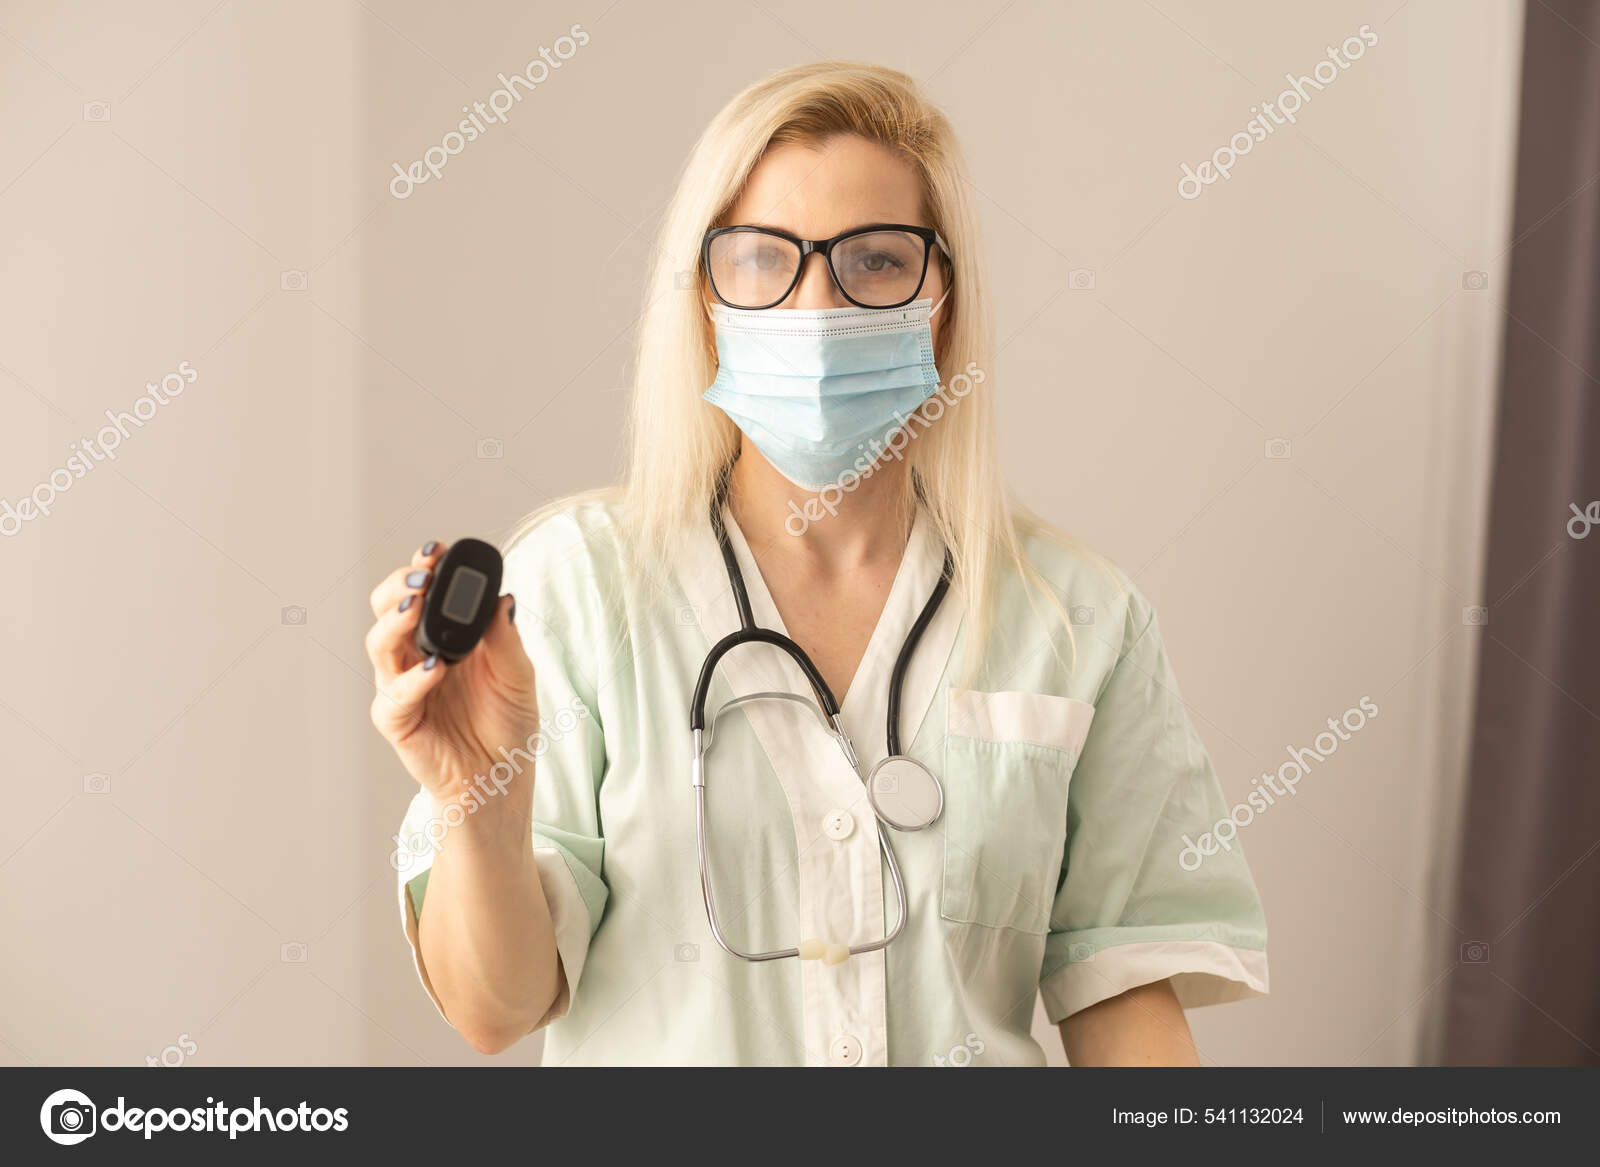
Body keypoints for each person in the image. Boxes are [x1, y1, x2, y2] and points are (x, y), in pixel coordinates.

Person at [366, 61, 1267, 1067]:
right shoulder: (578, 587)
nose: (815, 307)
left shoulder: (1078, 618)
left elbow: (1124, 1008)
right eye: (763, 258)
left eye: (875, 260)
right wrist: (478, 798)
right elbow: (497, 1010)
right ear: (704, 299)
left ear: (944, 301)